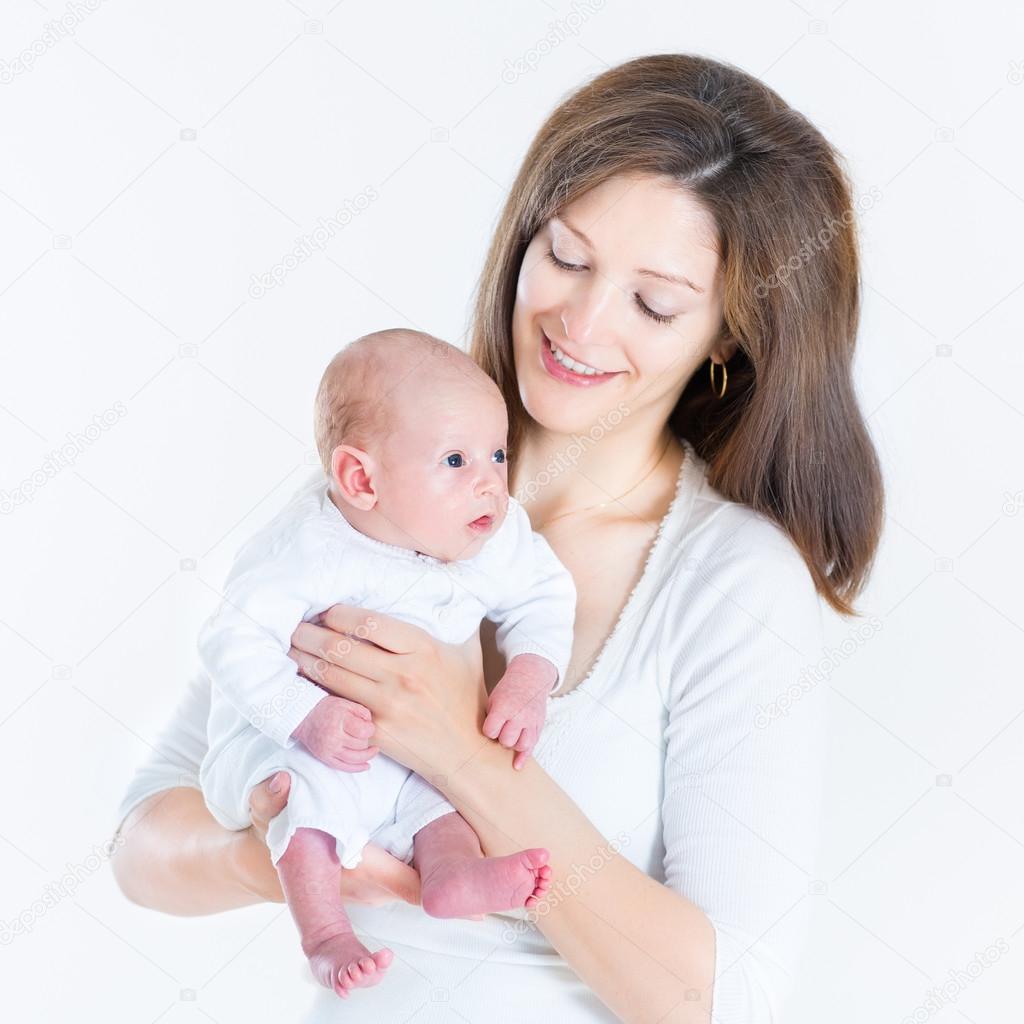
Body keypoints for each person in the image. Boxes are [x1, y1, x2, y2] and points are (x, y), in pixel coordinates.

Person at [111, 53, 883, 1023]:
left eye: (653, 303)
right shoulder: (370, 496)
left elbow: (729, 999)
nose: (581, 322)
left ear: (725, 338)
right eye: (564, 255)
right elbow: (142, 839)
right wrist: (305, 860)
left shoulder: (727, 581)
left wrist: (461, 753)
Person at [196, 328, 573, 998]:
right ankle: (326, 935)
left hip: (407, 753)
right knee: (305, 801)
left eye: (497, 453)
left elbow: (545, 595)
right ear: (361, 479)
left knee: (441, 804)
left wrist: (529, 678)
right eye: (456, 461)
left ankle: (450, 879)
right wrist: (305, 715)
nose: (489, 482)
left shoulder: (496, 534)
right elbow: (233, 640)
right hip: (295, 746)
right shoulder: (308, 546)